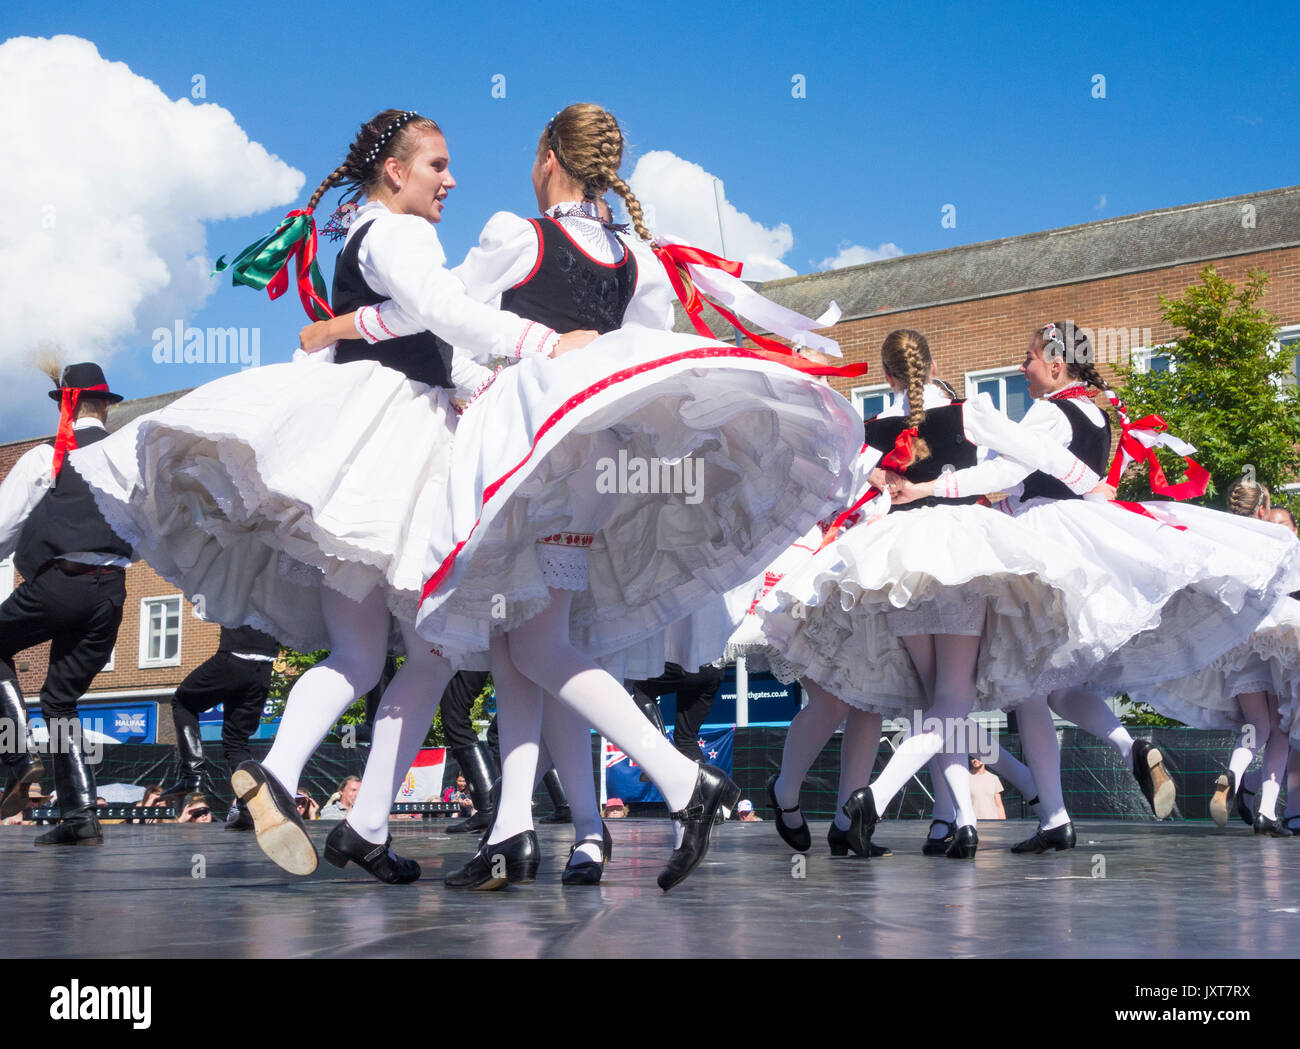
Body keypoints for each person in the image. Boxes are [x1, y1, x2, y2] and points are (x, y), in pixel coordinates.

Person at [312, 103, 866, 891]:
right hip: (600, 459)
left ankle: (683, 781)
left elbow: (442, 315)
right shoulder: (636, 257)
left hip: (537, 452)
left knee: (534, 646)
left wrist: (345, 328)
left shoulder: (517, 235)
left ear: (547, 157)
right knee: (519, 646)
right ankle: (511, 832)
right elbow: (644, 354)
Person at [72, 109, 598, 885]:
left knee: (366, 653)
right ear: (397, 171)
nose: (451, 180)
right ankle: (351, 810)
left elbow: (416, 328)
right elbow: (441, 313)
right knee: (431, 650)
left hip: (357, 448)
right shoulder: (404, 234)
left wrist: (359, 333)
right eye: (438, 167)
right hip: (396, 452)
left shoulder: (362, 233)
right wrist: (543, 347)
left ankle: (308, 790)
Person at [0, 363, 132, 843]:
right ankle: (79, 818)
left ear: (64, 404)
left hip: (62, 583)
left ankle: (18, 760)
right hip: (112, 592)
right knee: (60, 700)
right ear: (106, 405)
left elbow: (1, 527)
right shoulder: (126, 459)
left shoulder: (46, 457)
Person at [160, 623, 279, 831]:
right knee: (236, 741)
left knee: (183, 702)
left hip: (235, 655)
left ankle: (192, 776)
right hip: (264, 666)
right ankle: (247, 809)